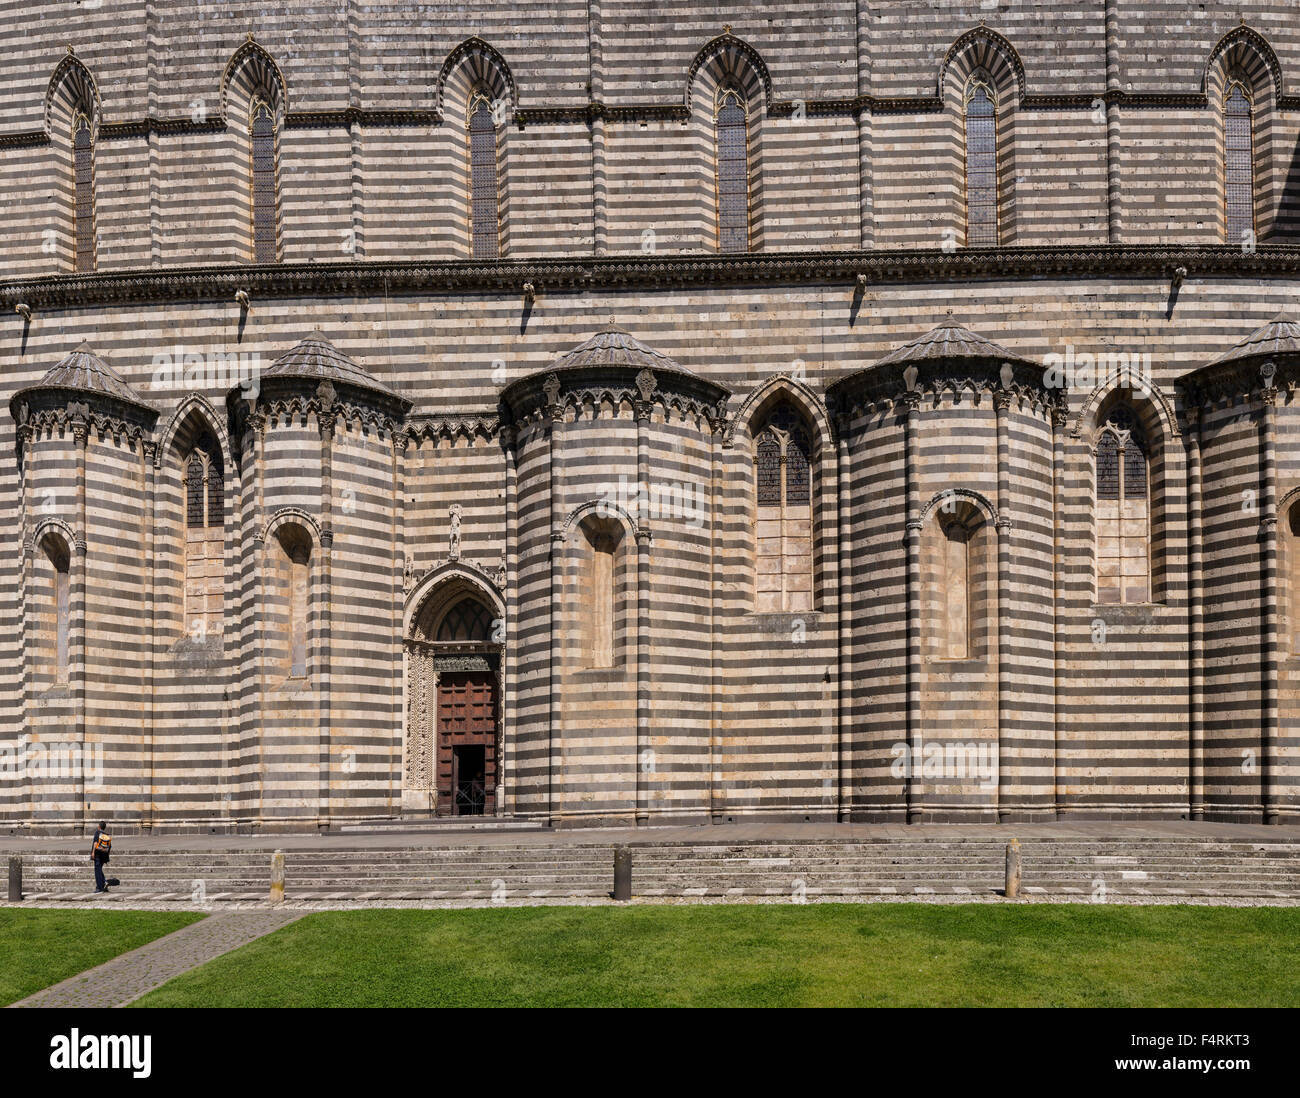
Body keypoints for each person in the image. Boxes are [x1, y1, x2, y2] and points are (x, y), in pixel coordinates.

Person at [90, 821, 111, 893]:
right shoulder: (106, 835)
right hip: (104, 855)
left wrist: (93, 852)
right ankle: (104, 884)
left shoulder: (97, 833)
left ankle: (99, 887)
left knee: (97, 871)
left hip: (98, 855)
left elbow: (95, 843)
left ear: (99, 827)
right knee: (99, 870)